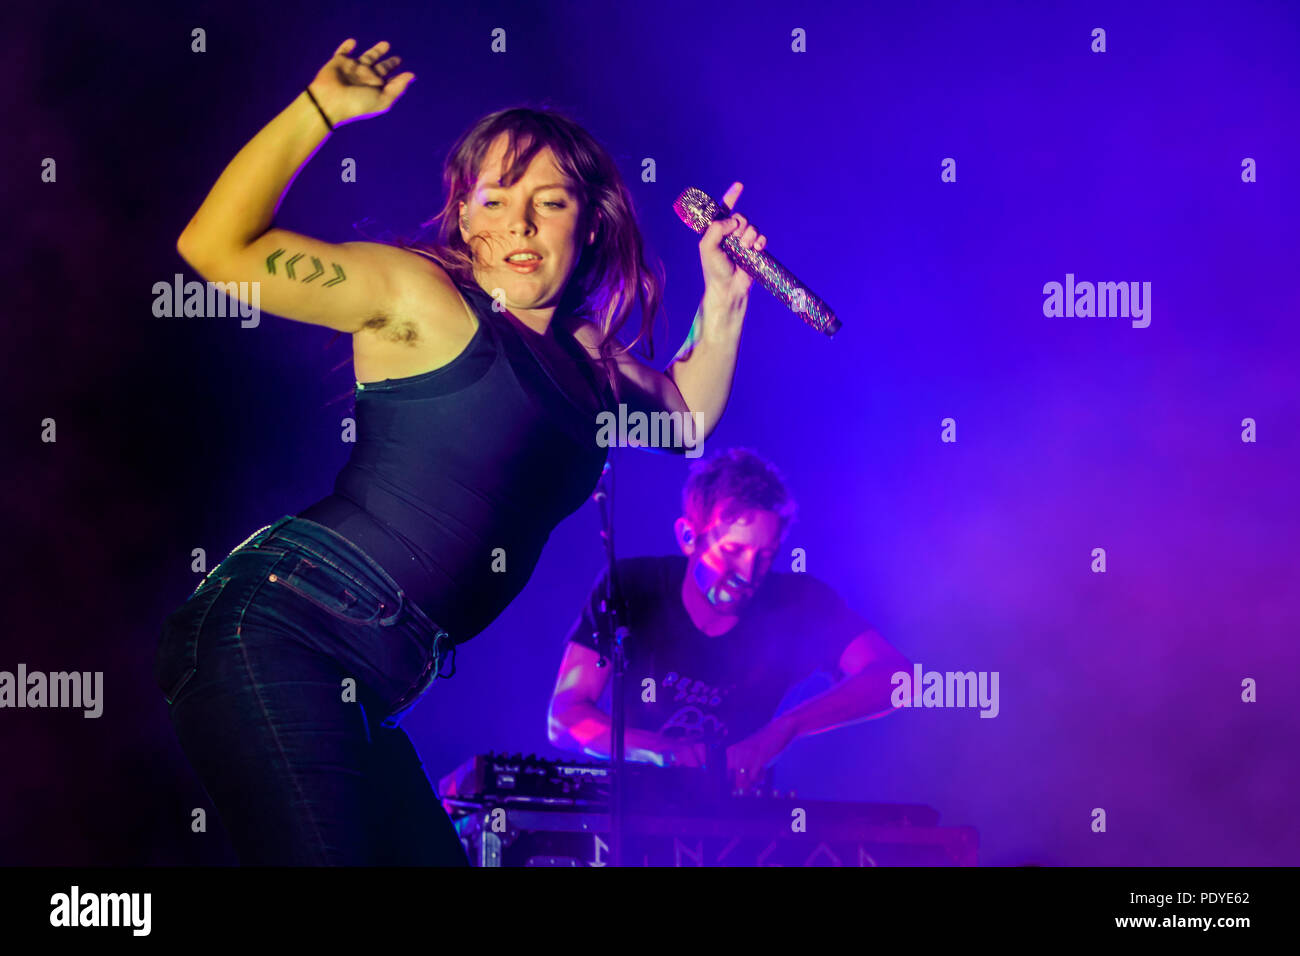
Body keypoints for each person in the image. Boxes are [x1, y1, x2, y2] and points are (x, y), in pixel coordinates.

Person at [154, 37, 768, 865]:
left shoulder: (590, 364)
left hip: (372, 681)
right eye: (494, 199)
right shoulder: (421, 298)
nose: (518, 222)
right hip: (280, 629)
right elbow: (215, 249)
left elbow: (685, 418)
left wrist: (724, 295)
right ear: (464, 218)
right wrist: (320, 112)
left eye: (549, 202)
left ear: (589, 225)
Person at [547, 448, 911, 791]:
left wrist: (785, 729)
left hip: (741, 824)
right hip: (636, 814)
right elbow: (565, 716)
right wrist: (658, 751)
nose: (748, 573)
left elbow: (899, 680)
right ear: (689, 537)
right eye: (733, 551)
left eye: (766, 555)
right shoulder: (632, 586)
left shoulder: (797, 603)